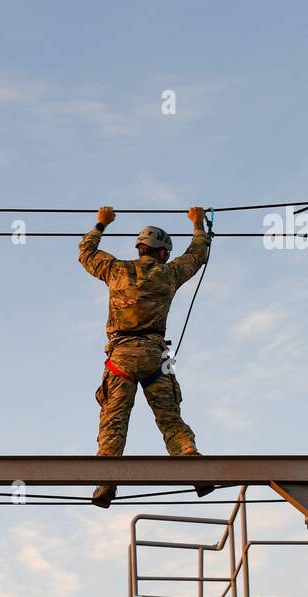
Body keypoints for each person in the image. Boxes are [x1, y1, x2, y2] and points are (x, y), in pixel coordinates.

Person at [79, 205, 213, 508]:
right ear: (163, 253)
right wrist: (197, 224)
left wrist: (101, 224)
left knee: (113, 421)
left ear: (140, 249)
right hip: (156, 356)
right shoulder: (170, 273)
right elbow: (197, 256)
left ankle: (106, 482)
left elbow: (86, 253)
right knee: (170, 419)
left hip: (121, 356)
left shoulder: (115, 270)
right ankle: (192, 464)